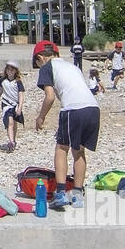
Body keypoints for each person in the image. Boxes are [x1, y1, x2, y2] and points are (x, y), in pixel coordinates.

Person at [33, 45, 99, 211]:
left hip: (73, 109)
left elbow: (50, 96)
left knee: (61, 149)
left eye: (38, 63)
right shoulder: (72, 66)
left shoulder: (47, 67)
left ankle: (61, 192)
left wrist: (41, 117)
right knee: (79, 151)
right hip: (93, 108)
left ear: (40, 58)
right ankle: (77, 194)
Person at [0, 61, 25, 154]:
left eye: (12, 70)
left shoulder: (18, 82)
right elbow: (0, 90)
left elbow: (21, 95)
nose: (10, 71)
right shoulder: (2, 80)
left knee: (14, 124)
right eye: (8, 69)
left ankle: (13, 139)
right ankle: (11, 141)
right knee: (10, 123)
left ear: (15, 71)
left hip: (15, 104)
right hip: (6, 104)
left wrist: (20, 107)